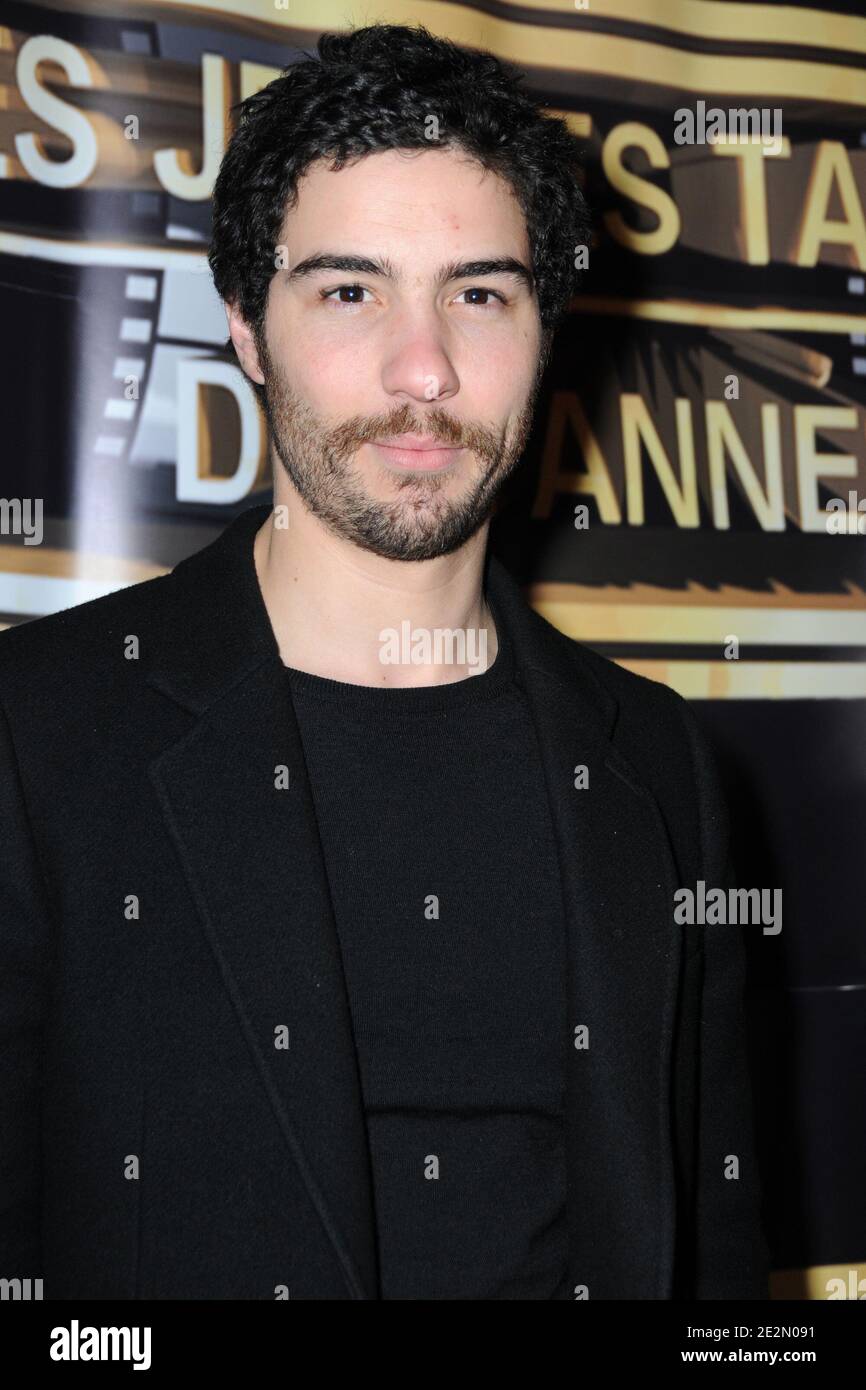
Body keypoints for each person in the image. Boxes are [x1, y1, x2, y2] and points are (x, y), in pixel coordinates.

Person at [0, 23, 769, 1300]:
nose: (425, 370)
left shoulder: (660, 765)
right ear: (246, 326)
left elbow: (716, 1261)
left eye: (478, 292)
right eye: (349, 289)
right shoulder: (36, 737)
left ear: (542, 327)